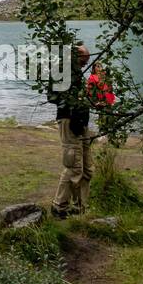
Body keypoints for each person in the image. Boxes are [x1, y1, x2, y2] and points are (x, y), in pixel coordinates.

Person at [52, 44, 94, 218]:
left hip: (81, 123)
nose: (87, 62)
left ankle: (80, 207)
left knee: (87, 168)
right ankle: (59, 206)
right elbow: (53, 96)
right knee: (73, 167)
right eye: (84, 58)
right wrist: (72, 110)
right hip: (70, 122)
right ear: (76, 56)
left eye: (88, 58)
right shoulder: (63, 71)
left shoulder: (76, 73)